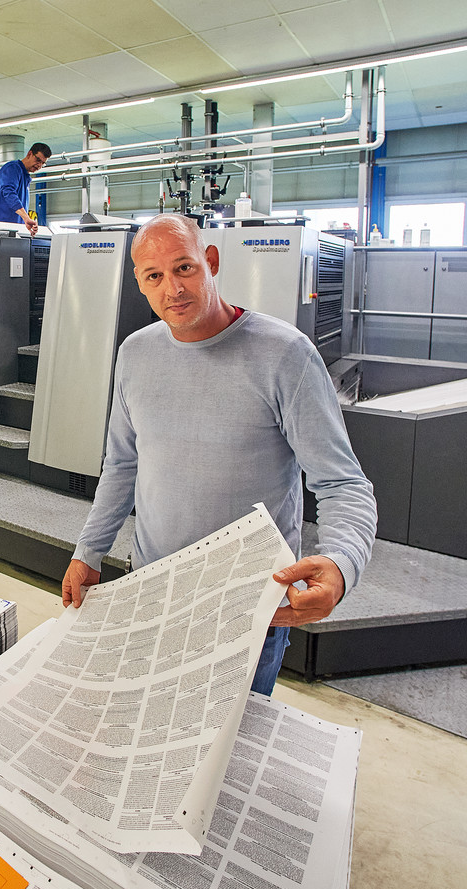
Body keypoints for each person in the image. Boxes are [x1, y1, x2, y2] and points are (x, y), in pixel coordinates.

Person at [60, 213, 377, 694]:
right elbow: (123, 464)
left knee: (228, 759)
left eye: (183, 267)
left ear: (210, 261)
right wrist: (90, 550)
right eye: (155, 276)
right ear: (141, 286)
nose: (173, 288)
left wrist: (340, 562)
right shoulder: (135, 354)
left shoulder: (285, 354)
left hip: (246, 608)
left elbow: (342, 484)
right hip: (154, 594)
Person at [0, 142, 52, 235]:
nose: (39, 165)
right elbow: (9, 193)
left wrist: (25, 227)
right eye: (38, 160)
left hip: (9, 229)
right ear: (29, 154)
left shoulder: (25, 177)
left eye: (43, 163)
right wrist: (26, 218)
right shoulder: (13, 168)